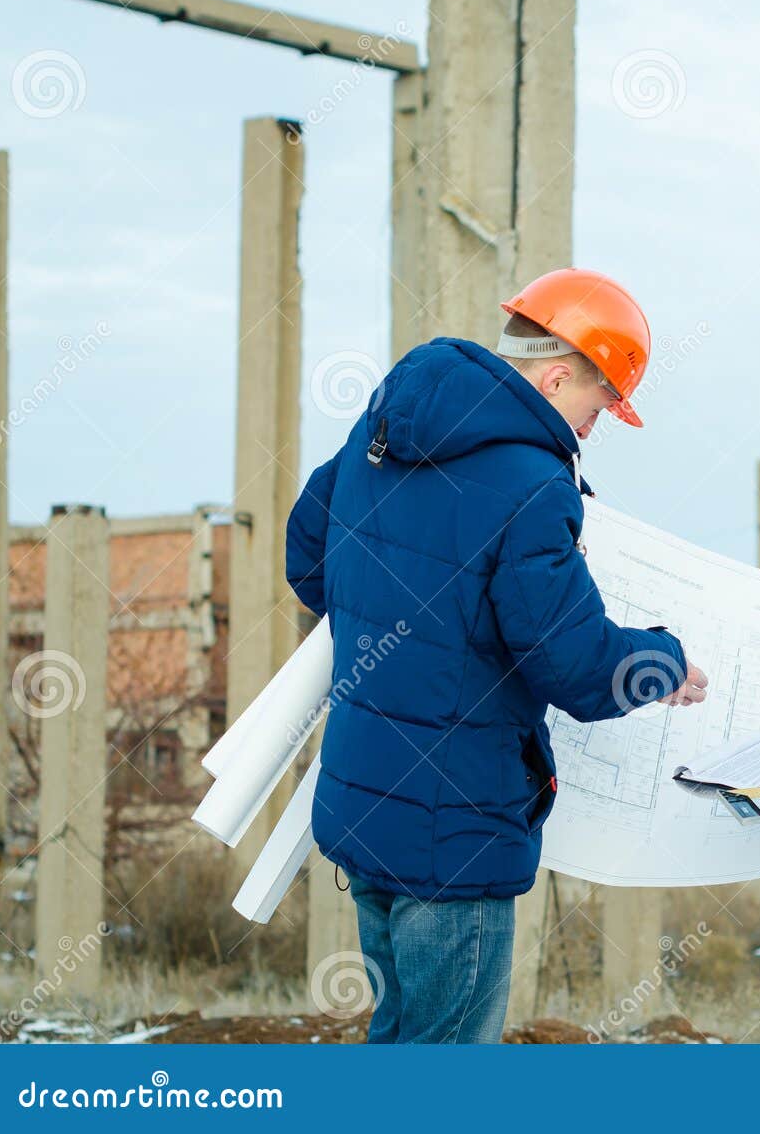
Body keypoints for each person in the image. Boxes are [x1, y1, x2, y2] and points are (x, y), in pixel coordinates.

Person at [283, 267, 708, 1044]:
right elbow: (575, 666)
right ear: (555, 377)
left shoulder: (382, 426)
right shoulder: (534, 484)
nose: (593, 426)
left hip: (364, 806)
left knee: (399, 1037)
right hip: (457, 834)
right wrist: (665, 661)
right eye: (599, 405)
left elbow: (308, 561)